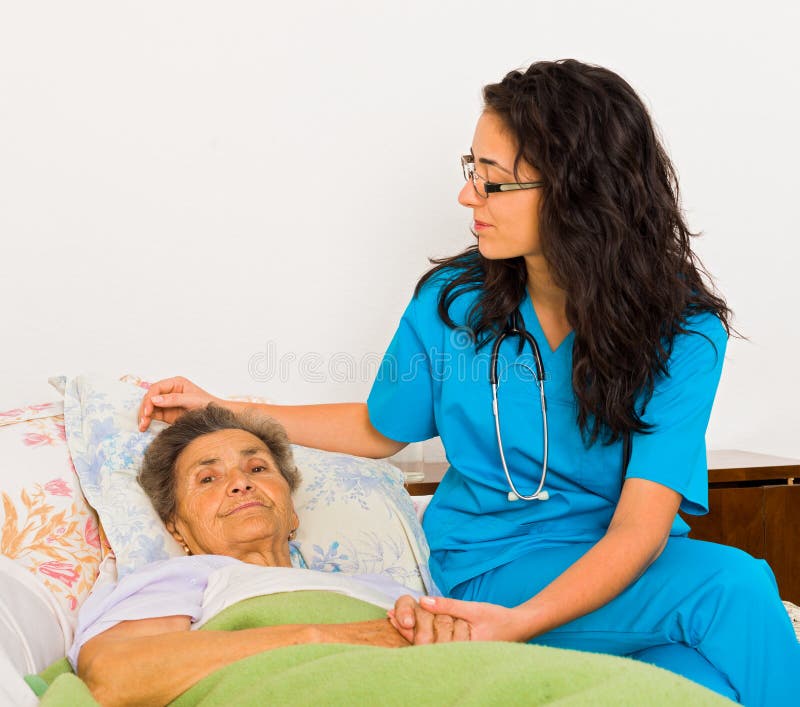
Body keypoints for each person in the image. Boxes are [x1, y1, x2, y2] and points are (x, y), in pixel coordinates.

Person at [137, 60, 799, 705]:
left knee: (701, 681)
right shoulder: (450, 304)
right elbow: (376, 427)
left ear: (576, 193)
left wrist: (523, 628)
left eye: (493, 182)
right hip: (489, 569)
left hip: (621, 568)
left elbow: (638, 531)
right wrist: (227, 407)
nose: (466, 197)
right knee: (737, 587)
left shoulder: (684, 331)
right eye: (470, 171)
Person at [70, 404, 431, 706]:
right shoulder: (180, 579)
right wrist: (324, 638)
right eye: (208, 479)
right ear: (176, 527)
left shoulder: (386, 590)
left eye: (257, 469)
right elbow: (113, 677)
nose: (241, 483)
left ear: (292, 511)